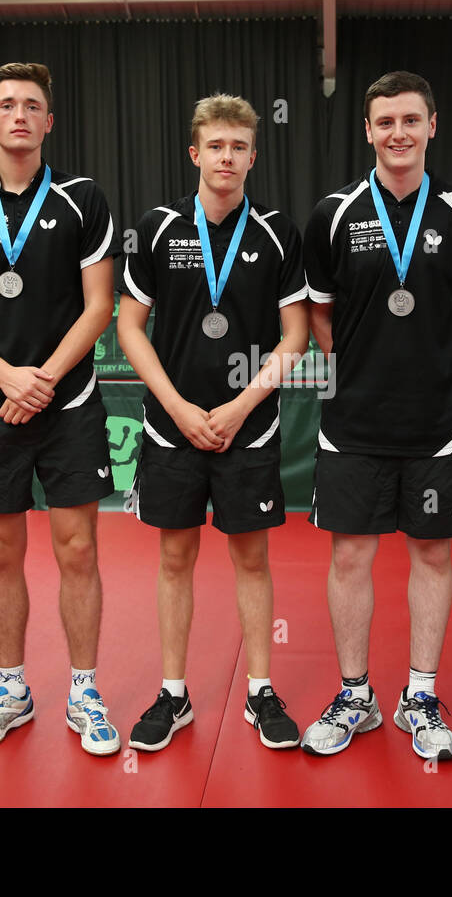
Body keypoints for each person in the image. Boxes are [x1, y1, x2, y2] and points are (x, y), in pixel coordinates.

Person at [300, 71, 452, 760]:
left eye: (410, 120)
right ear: (368, 130)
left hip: (440, 421)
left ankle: (420, 695)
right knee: (350, 554)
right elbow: (320, 311)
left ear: (432, 126)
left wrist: (440, 363)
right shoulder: (334, 213)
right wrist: (357, 369)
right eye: (385, 122)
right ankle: (357, 694)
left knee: (431, 553)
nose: (398, 133)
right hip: (353, 420)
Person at [0, 62, 120, 756]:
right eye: (5, 104)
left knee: (78, 548)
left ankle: (85, 690)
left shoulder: (82, 199)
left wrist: (41, 381)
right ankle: (12, 687)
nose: (18, 115)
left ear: (48, 121)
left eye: (31, 105)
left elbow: (100, 304)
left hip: (67, 405)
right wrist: (4, 375)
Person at [117, 94, 309, 751]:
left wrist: (237, 407)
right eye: (215, 146)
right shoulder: (160, 227)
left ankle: (260, 689)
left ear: (253, 156)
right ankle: (174, 694)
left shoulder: (278, 232)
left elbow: (295, 337)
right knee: (174, 557)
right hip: (173, 426)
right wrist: (176, 406)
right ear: (195, 153)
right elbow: (128, 327)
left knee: (252, 557)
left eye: (238, 147)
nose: (226, 157)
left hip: (246, 425)